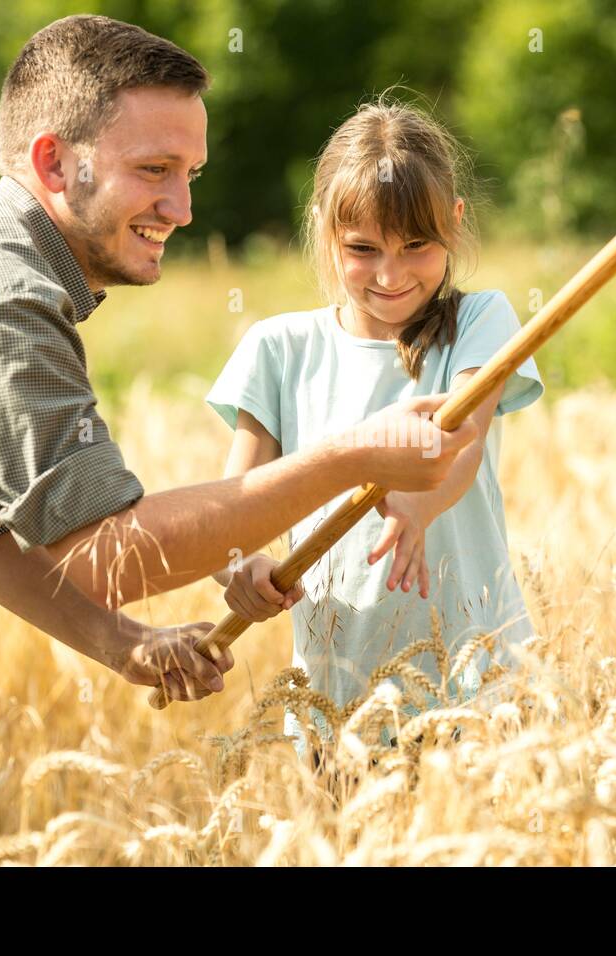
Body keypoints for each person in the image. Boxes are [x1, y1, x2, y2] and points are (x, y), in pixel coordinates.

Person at [0, 17, 477, 866]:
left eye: (190, 174)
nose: (183, 207)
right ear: (55, 162)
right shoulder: (1, 297)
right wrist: (350, 458)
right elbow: (111, 552)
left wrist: (118, 642)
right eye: (154, 171)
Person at [205, 96, 543, 756]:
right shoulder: (276, 349)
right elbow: (232, 509)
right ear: (323, 233)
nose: (391, 275)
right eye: (363, 249)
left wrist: (419, 503)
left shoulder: (481, 322)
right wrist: (237, 568)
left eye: (417, 246)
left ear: (455, 223)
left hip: (478, 688)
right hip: (340, 705)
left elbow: (462, 439)